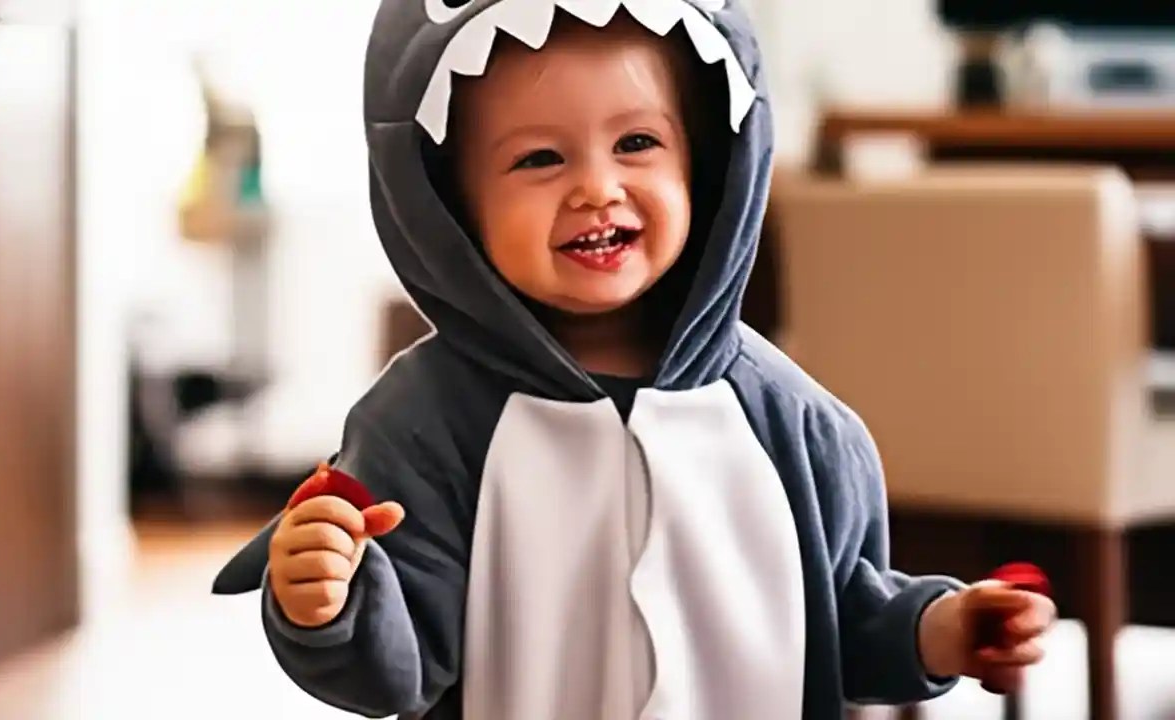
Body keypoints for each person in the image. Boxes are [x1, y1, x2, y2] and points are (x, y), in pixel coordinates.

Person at [212, 1, 1058, 718]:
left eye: (637, 145)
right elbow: (395, 666)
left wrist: (945, 626)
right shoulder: (422, 427)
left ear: (707, 164)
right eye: (540, 158)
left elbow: (845, 618)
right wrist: (324, 602)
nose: (596, 188)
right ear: (448, 205)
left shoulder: (795, 424)